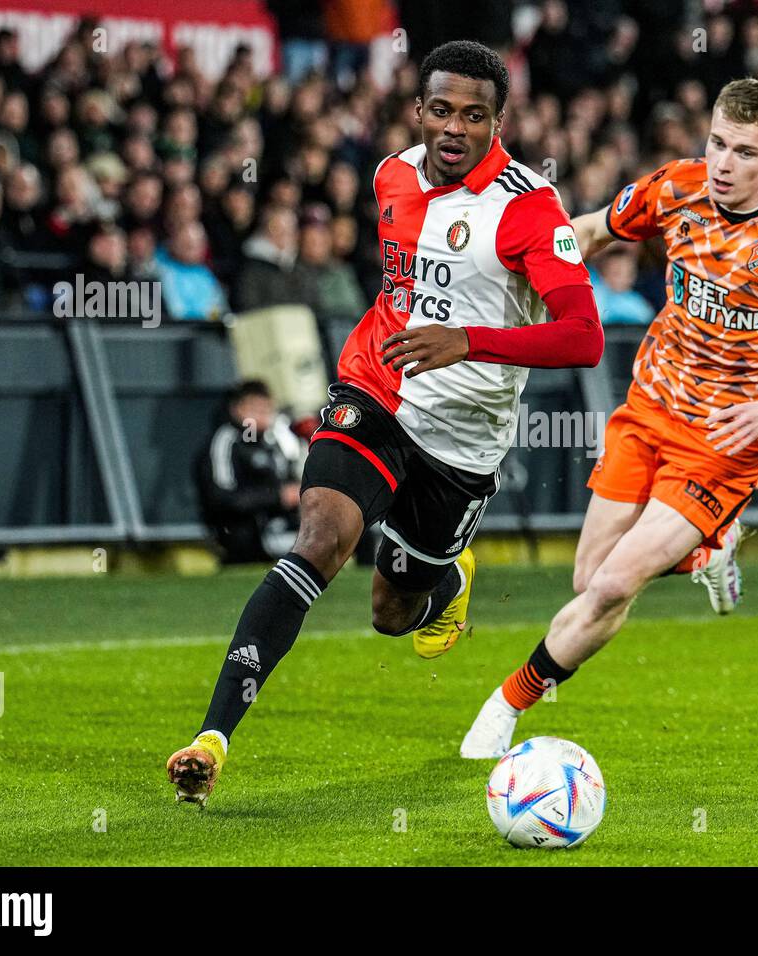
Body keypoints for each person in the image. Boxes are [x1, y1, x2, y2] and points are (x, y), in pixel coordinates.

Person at [166, 40, 603, 806]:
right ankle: (213, 738)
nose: (455, 128)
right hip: (375, 389)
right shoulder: (389, 175)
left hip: (464, 441)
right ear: (417, 111)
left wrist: (469, 339)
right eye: (441, 109)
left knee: (389, 613)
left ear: (499, 121)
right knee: (319, 540)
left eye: (474, 114)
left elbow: (583, 335)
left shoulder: (530, 210)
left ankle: (445, 579)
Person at [460, 78, 758, 759]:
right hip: (649, 407)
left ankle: (507, 704)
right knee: (587, 579)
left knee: (610, 587)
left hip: (725, 441)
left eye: (745, 152)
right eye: (717, 142)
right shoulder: (676, 187)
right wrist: (515, 274)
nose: (722, 163)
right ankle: (710, 551)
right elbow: (595, 231)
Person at [196, 380, 304, 564]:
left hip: (278, 522)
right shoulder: (226, 441)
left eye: (266, 410)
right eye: (254, 410)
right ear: (237, 410)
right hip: (240, 529)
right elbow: (221, 498)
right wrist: (278, 497)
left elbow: (290, 478)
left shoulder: (276, 440)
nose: (261, 417)